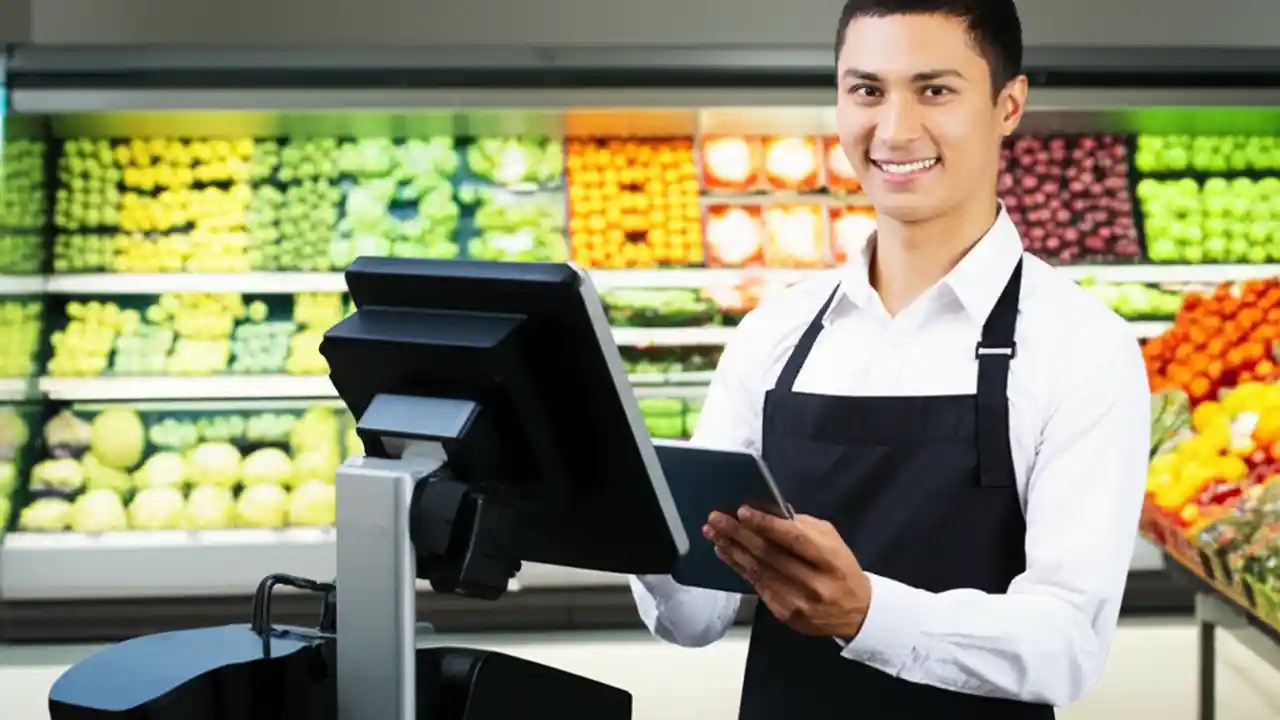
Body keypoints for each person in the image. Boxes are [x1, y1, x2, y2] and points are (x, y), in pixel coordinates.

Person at [629, 0, 1151, 717]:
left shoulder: (1082, 347)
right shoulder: (772, 334)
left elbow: (1066, 644)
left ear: (1008, 105)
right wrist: (622, 504)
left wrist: (867, 612)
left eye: (934, 90)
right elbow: (693, 620)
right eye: (867, 91)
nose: (895, 129)